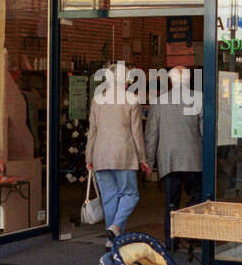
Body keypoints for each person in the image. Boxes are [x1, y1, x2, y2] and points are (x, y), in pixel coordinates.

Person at [86, 62, 149, 247]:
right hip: (124, 155)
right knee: (130, 194)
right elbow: (136, 133)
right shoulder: (132, 100)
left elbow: (92, 132)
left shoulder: (97, 100)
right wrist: (143, 159)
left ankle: (110, 241)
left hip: (100, 155)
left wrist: (89, 158)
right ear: (125, 81)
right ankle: (114, 228)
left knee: (109, 198)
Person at [145, 66, 203, 251]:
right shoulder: (199, 98)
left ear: (171, 81)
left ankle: (171, 241)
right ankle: (193, 232)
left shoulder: (159, 101)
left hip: (168, 159)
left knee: (171, 200)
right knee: (198, 196)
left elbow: (151, 134)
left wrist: (148, 161)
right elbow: (204, 131)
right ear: (188, 79)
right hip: (193, 158)